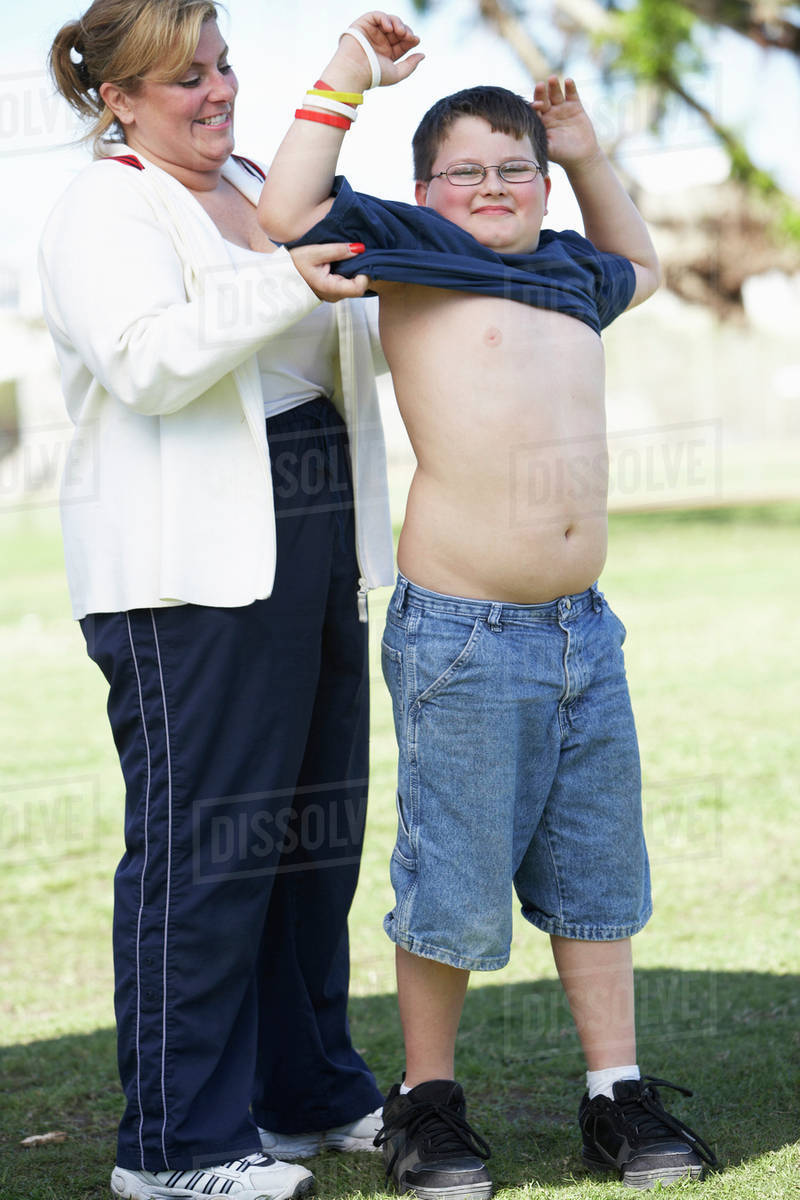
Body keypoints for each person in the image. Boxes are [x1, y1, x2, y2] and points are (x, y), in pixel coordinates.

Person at [258, 11, 718, 1195]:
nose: (492, 186)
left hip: (581, 629)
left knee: (596, 872)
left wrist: (585, 149)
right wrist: (345, 77)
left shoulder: (570, 274)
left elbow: (649, 263)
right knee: (449, 884)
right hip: (464, 634)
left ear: (543, 186)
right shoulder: (410, 250)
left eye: (515, 168)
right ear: (425, 189)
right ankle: (427, 1103)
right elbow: (285, 212)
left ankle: (614, 1095)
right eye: (465, 170)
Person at [38, 3, 398, 1198]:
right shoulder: (105, 204)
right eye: (182, 79)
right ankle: (175, 1151)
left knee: (309, 843)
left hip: (311, 540)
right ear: (118, 100)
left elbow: (334, 340)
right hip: (184, 572)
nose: (216, 93)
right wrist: (288, 282)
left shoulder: (255, 181)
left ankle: (307, 1096)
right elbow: (145, 358)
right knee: (205, 856)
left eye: (223, 66)